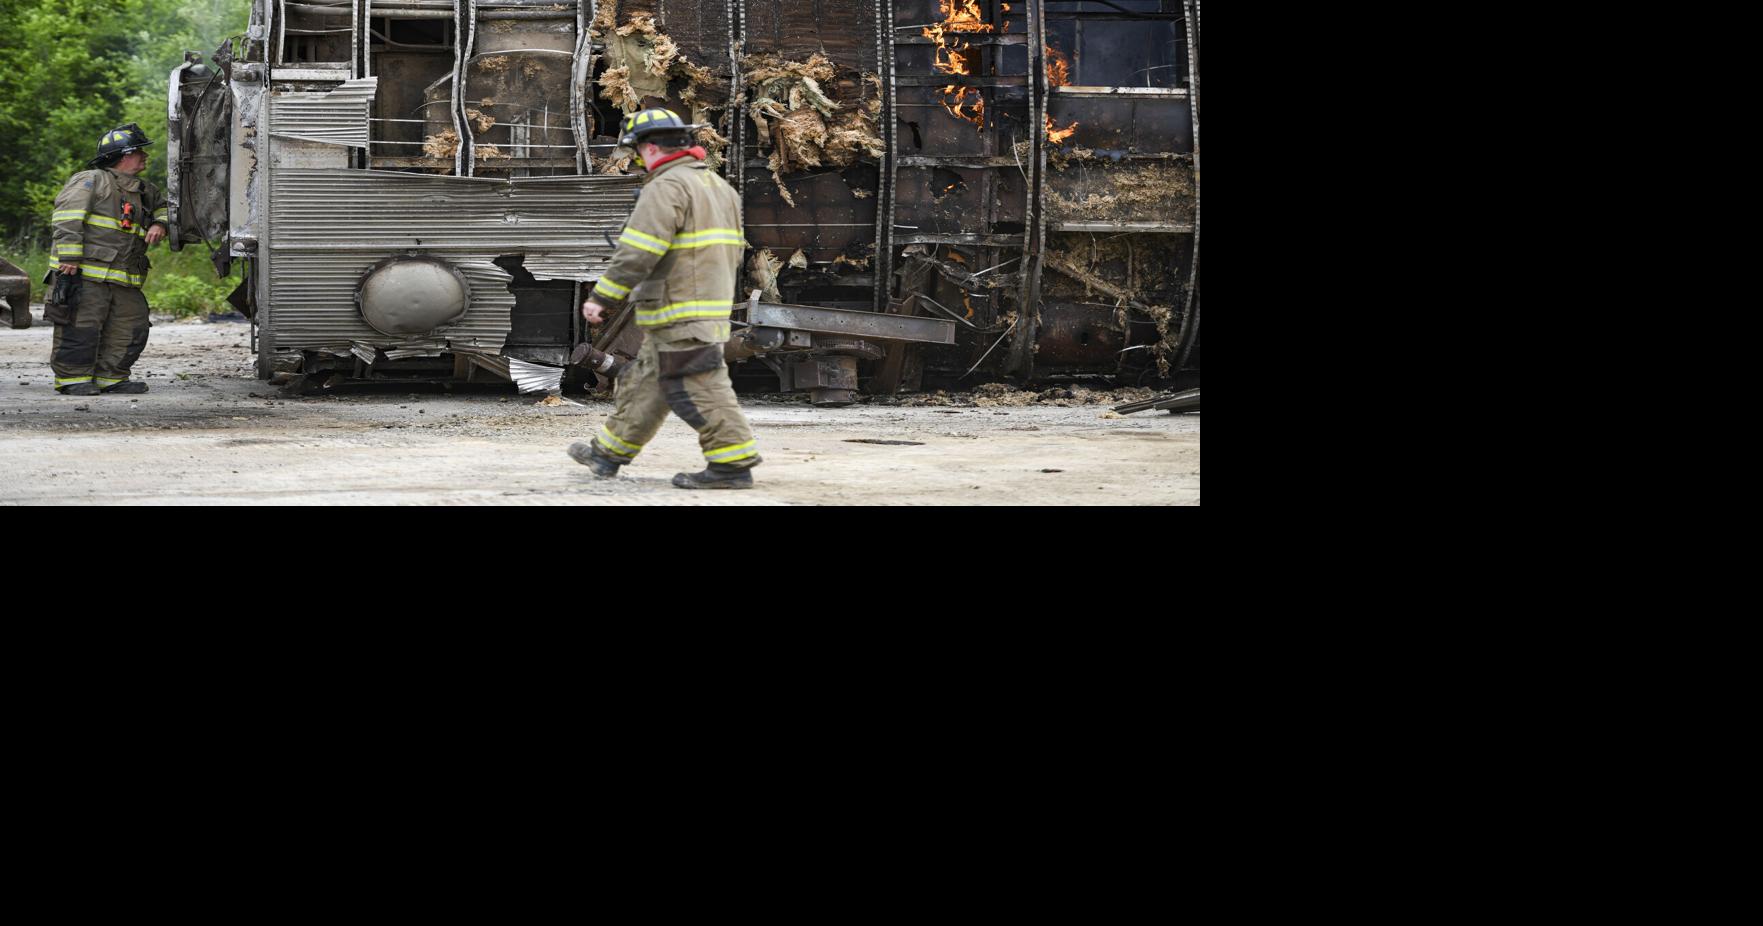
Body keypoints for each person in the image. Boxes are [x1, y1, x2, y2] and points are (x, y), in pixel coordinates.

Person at [567, 109, 761, 489]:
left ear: (652, 148)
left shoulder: (666, 187)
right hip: (699, 306)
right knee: (646, 382)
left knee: (697, 384)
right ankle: (607, 455)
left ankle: (732, 464)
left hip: (679, 309)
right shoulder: (720, 188)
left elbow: (640, 249)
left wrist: (603, 296)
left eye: (638, 151)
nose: (638, 160)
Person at [48, 123, 167, 396]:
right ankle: (72, 379)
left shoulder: (144, 190)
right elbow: (67, 217)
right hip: (85, 272)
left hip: (124, 276)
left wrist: (160, 224)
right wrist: (68, 257)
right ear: (124, 155)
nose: (145, 157)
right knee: (81, 326)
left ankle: (110, 378)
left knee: (132, 326)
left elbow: (167, 208)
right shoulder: (90, 180)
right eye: (140, 152)